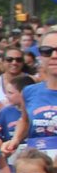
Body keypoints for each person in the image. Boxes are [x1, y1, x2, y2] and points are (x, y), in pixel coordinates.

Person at [21, 29, 57, 158]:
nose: (54, 55)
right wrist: (14, 141)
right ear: (40, 55)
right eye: (47, 51)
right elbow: (25, 121)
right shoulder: (29, 92)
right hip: (38, 167)